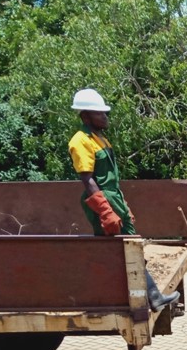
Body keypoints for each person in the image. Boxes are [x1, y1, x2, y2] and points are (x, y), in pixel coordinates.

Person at [68, 88, 179, 310]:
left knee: (131, 245)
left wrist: (122, 205)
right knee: (116, 250)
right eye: (100, 114)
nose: (105, 117)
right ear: (85, 115)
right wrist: (105, 210)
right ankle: (118, 298)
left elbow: (111, 179)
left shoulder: (101, 139)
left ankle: (153, 296)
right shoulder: (80, 141)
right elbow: (88, 180)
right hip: (101, 197)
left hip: (113, 196)